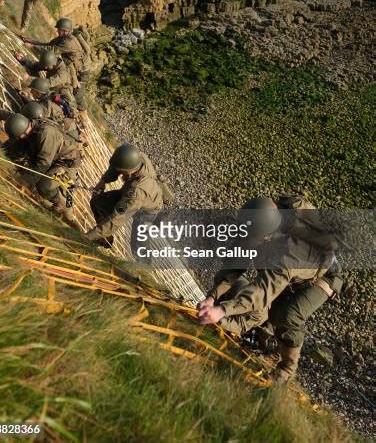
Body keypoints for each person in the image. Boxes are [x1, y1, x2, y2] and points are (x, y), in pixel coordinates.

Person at [197, 196, 343, 384]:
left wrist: (222, 310)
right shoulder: (259, 223)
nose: (246, 240)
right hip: (284, 269)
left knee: (287, 315)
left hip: (323, 276)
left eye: (252, 238)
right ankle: (260, 329)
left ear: (266, 237)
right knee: (244, 295)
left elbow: (262, 291)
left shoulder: (290, 255)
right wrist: (212, 297)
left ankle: (286, 370)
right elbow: (234, 265)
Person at [3, 113, 82, 223]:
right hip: (53, 160)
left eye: (19, 136)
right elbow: (12, 124)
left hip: (67, 165)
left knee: (43, 185)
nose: (19, 138)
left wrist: (25, 181)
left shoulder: (46, 134)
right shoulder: (29, 126)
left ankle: (62, 205)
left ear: (24, 131)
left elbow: (43, 165)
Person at [83, 143, 164, 247]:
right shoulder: (136, 158)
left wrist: (89, 236)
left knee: (139, 246)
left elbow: (117, 218)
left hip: (146, 210)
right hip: (128, 193)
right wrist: (103, 181)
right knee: (99, 203)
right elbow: (116, 166)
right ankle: (104, 238)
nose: (118, 171)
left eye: (120, 171)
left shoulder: (137, 192)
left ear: (128, 172)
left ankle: (143, 263)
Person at [22, 17, 91, 127]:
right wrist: (34, 42)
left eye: (60, 30)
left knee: (78, 95)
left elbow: (52, 51)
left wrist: (32, 47)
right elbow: (48, 45)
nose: (58, 31)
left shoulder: (69, 42)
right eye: (58, 29)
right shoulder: (62, 38)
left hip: (82, 72)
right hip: (71, 68)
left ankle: (84, 119)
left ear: (66, 31)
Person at [14, 49, 78, 117]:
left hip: (61, 100)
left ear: (53, 64)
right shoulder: (51, 63)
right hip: (52, 93)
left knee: (41, 108)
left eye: (47, 66)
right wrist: (23, 60)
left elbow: (47, 83)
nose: (45, 68)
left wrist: (30, 79)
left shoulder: (62, 75)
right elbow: (35, 66)